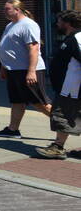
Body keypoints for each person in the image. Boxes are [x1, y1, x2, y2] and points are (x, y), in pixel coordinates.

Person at [0, 0, 51, 137]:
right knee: (17, 101)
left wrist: (31, 72)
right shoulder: (10, 25)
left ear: (17, 10)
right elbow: (10, 48)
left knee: (39, 102)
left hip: (28, 70)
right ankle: (13, 129)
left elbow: (33, 49)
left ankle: (67, 124)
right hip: (14, 70)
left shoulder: (28, 25)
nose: (4, 11)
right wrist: (3, 67)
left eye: (7, 9)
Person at [36, 11, 81, 158]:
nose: (57, 24)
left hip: (71, 88)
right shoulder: (71, 38)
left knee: (62, 115)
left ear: (67, 23)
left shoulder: (77, 38)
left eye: (59, 21)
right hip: (68, 87)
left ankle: (58, 147)